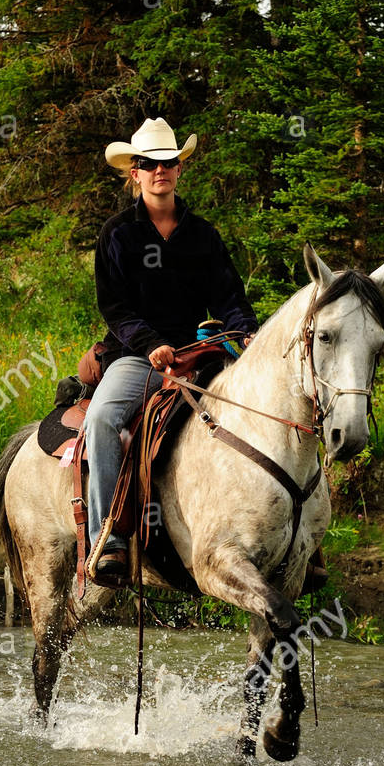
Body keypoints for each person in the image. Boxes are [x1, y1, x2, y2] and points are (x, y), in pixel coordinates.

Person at [84, 117, 259, 586]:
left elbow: (229, 297)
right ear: (134, 173)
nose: (159, 170)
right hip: (136, 355)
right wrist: (150, 344)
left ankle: (289, 535)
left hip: (198, 351)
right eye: (148, 164)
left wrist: (245, 336)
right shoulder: (117, 234)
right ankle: (109, 537)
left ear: (179, 168)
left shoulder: (202, 234)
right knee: (102, 419)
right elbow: (114, 307)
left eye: (167, 162)